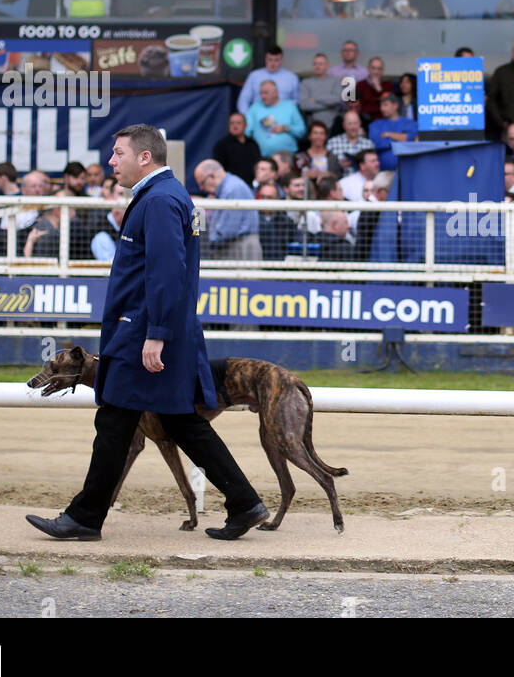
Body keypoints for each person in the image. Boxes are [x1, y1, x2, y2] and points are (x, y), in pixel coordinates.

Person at [27, 125, 268, 541]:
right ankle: (245, 503)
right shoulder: (165, 195)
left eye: (118, 153)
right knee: (179, 423)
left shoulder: (158, 200)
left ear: (144, 157)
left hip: (143, 335)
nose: (110, 162)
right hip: (152, 330)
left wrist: (155, 334)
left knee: (116, 419)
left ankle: (84, 518)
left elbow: (166, 272)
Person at [195, 159, 263, 261]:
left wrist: (200, 242)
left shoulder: (232, 189)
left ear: (212, 176)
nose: (201, 188)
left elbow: (226, 231)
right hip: (233, 246)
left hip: (241, 247)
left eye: (202, 183)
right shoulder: (226, 189)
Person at [237, 45, 301, 114]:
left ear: (282, 60)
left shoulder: (292, 78)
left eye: (276, 60)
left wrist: (285, 111)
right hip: (258, 116)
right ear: (265, 59)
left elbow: (296, 101)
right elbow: (243, 99)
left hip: (283, 116)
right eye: (270, 59)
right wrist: (248, 117)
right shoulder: (254, 76)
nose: (272, 64)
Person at [369, 92, 417, 170]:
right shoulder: (375, 124)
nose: (382, 108)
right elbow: (377, 144)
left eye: (385, 105)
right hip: (383, 171)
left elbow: (412, 140)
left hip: (408, 170)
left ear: (395, 105)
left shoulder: (410, 123)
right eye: (381, 105)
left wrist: (389, 134)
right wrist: (400, 139)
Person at [298, 53, 345, 129]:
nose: (317, 66)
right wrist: (330, 105)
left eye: (320, 64)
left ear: (327, 65)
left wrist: (315, 98)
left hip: (334, 126)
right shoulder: (305, 82)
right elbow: (304, 105)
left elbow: (337, 99)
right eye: (315, 64)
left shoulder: (336, 80)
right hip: (313, 127)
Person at [327, 109, 376, 175]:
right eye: (349, 124)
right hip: (340, 182)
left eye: (355, 123)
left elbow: (375, 168)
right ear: (344, 125)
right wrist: (339, 167)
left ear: (359, 124)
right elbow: (327, 170)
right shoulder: (332, 143)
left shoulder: (369, 144)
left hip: (364, 183)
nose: (353, 127)